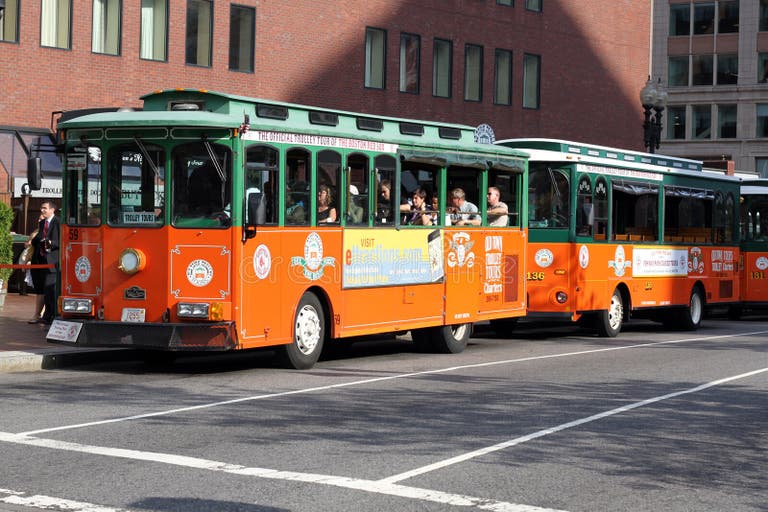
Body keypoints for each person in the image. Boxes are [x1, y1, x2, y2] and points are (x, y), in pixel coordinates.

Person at [29, 202, 60, 324]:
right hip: (40, 260)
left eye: (45, 208)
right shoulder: (42, 223)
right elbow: (39, 238)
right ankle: (45, 316)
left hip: (52, 261)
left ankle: (51, 315)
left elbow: (62, 240)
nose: (42, 210)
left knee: (50, 289)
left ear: (52, 210)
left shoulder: (58, 222)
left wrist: (52, 243)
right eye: (41, 208)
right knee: (41, 288)